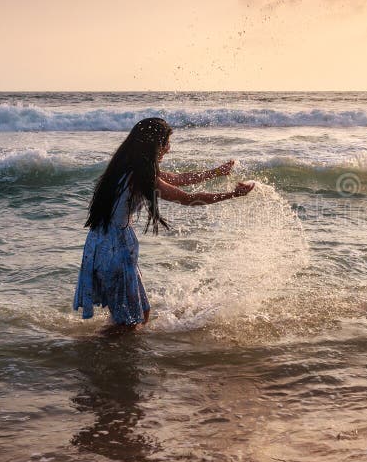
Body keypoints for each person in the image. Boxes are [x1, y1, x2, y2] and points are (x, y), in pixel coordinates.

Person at [74, 117, 254, 333]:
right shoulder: (139, 175)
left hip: (105, 243)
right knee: (129, 324)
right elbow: (187, 198)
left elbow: (179, 178)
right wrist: (232, 195)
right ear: (155, 144)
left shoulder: (127, 166)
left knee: (139, 315)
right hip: (113, 249)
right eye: (166, 143)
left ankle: (103, 351)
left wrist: (216, 172)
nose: (169, 149)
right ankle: (91, 351)